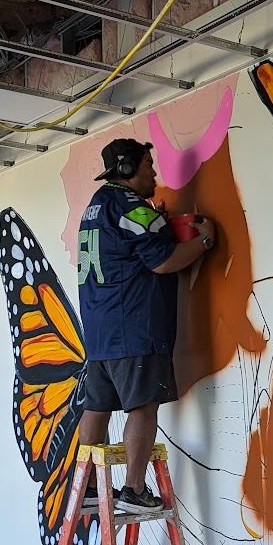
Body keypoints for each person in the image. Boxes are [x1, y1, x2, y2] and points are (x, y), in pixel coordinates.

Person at [77, 138, 216, 512]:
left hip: (101, 333)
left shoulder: (95, 206)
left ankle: (88, 486)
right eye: (147, 166)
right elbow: (164, 261)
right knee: (142, 407)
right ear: (127, 169)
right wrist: (205, 241)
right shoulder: (133, 207)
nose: (154, 173)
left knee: (97, 407)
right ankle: (134, 490)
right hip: (134, 327)